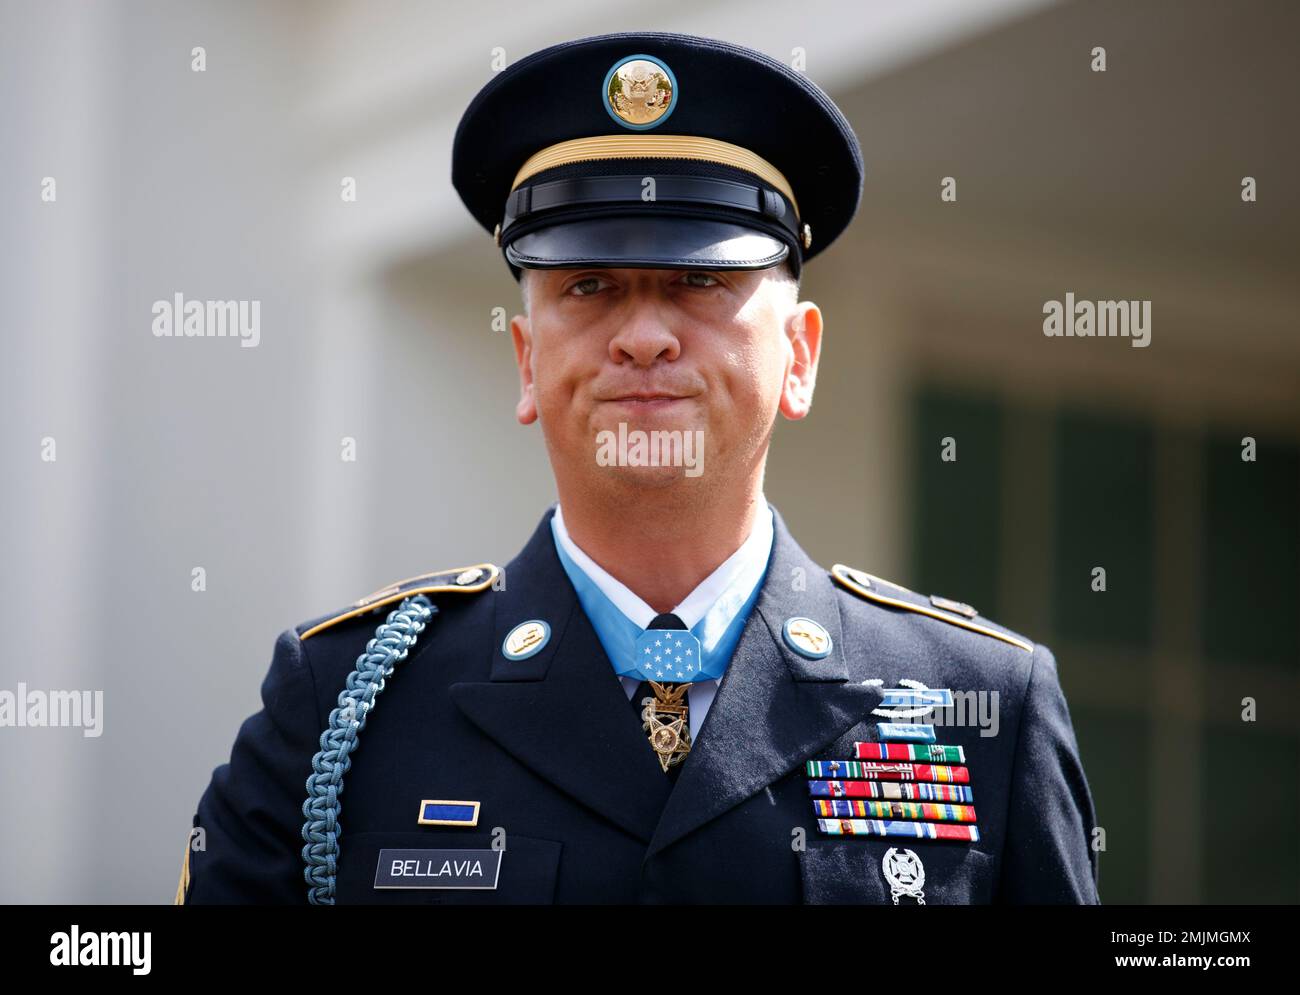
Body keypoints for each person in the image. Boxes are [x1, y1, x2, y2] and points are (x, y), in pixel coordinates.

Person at [177, 31, 1099, 905]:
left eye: (701, 281)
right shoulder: (345, 702)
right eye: (589, 285)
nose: (646, 336)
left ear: (801, 357)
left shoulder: (980, 707)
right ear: (527, 361)